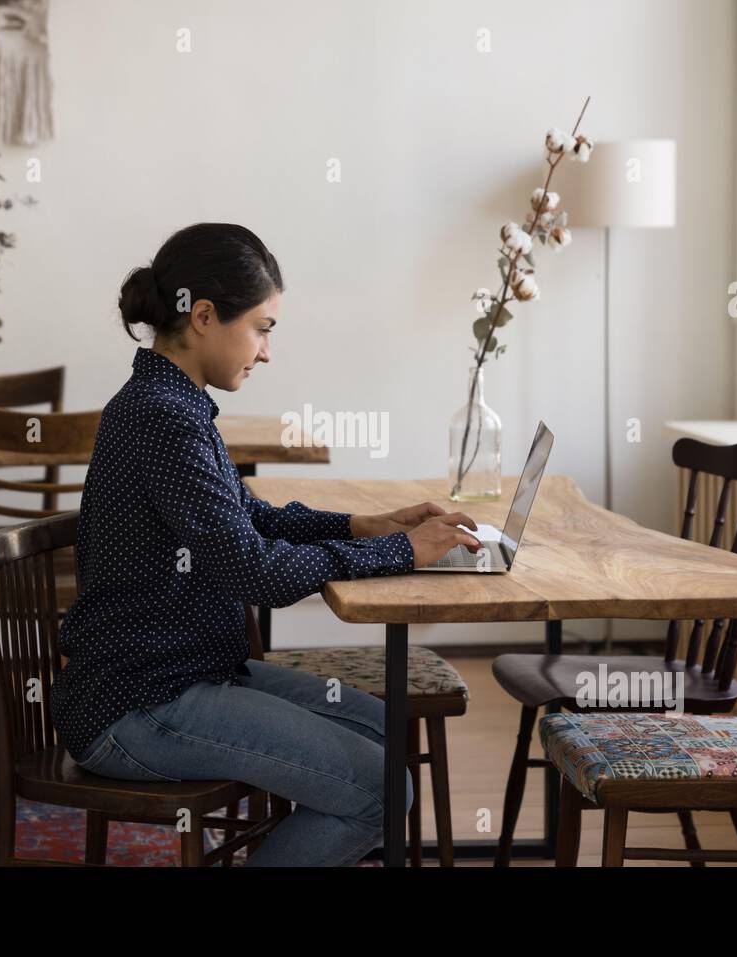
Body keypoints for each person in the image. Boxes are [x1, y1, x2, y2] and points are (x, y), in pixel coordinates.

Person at [49, 222, 482, 866]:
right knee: (382, 787)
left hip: (190, 674)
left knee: (388, 736)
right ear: (202, 317)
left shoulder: (173, 401)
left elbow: (247, 516)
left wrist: (362, 527)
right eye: (262, 327)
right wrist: (404, 553)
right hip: (138, 703)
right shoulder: (161, 416)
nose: (267, 351)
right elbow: (258, 573)